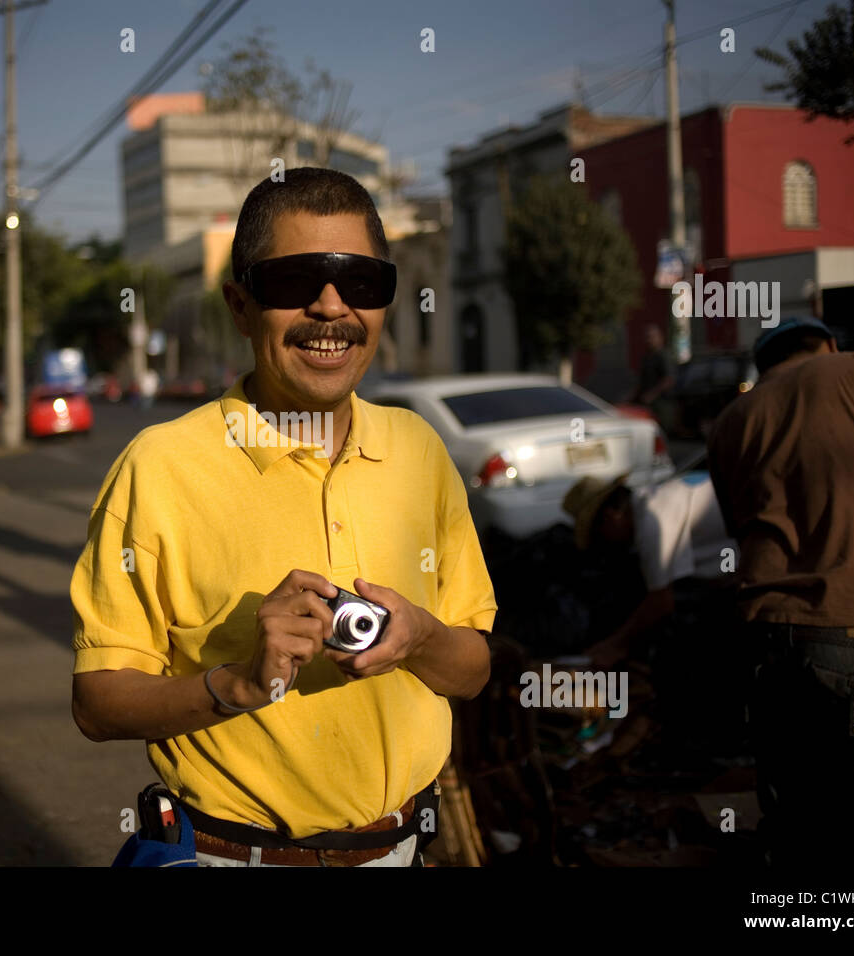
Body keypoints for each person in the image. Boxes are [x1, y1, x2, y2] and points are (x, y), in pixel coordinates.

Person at [69, 167, 497, 867]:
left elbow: (474, 668)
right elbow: (97, 703)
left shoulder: (419, 450)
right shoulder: (160, 468)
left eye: (361, 283)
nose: (332, 309)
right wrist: (237, 684)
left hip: (407, 851)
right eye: (297, 281)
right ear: (241, 306)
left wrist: (420, 638)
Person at [707, 316, 854, 866]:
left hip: (773, 653)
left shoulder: (734, 419)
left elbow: (741, 524)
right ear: (828, 344)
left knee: (800, 842)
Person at [562, 471, 743, 751]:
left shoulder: (651, 520)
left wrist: (614, 646)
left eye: (601, 535)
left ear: (610, 517)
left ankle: (708, 740)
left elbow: (662, 603)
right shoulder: (655, 499)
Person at [628, 324, 675, 413]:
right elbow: (642, 381)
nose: (649, 340)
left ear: (660, 338)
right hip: (646, 403)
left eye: (652, 337)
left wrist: (652, 395)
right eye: (647, 337)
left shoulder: (663, 356)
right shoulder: (647, 357)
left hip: (662, 403)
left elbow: (669, 380)